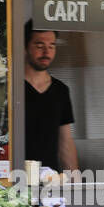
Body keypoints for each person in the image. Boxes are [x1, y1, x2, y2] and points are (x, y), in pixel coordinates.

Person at [23, 21, 78, 173]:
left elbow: (65, 142)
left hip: (50, 181)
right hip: (14, 180)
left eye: (52, 45)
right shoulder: (11, 88)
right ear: (26, 47)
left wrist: (76, 184)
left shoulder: (60, 91)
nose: (46, 52)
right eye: (39, 46)